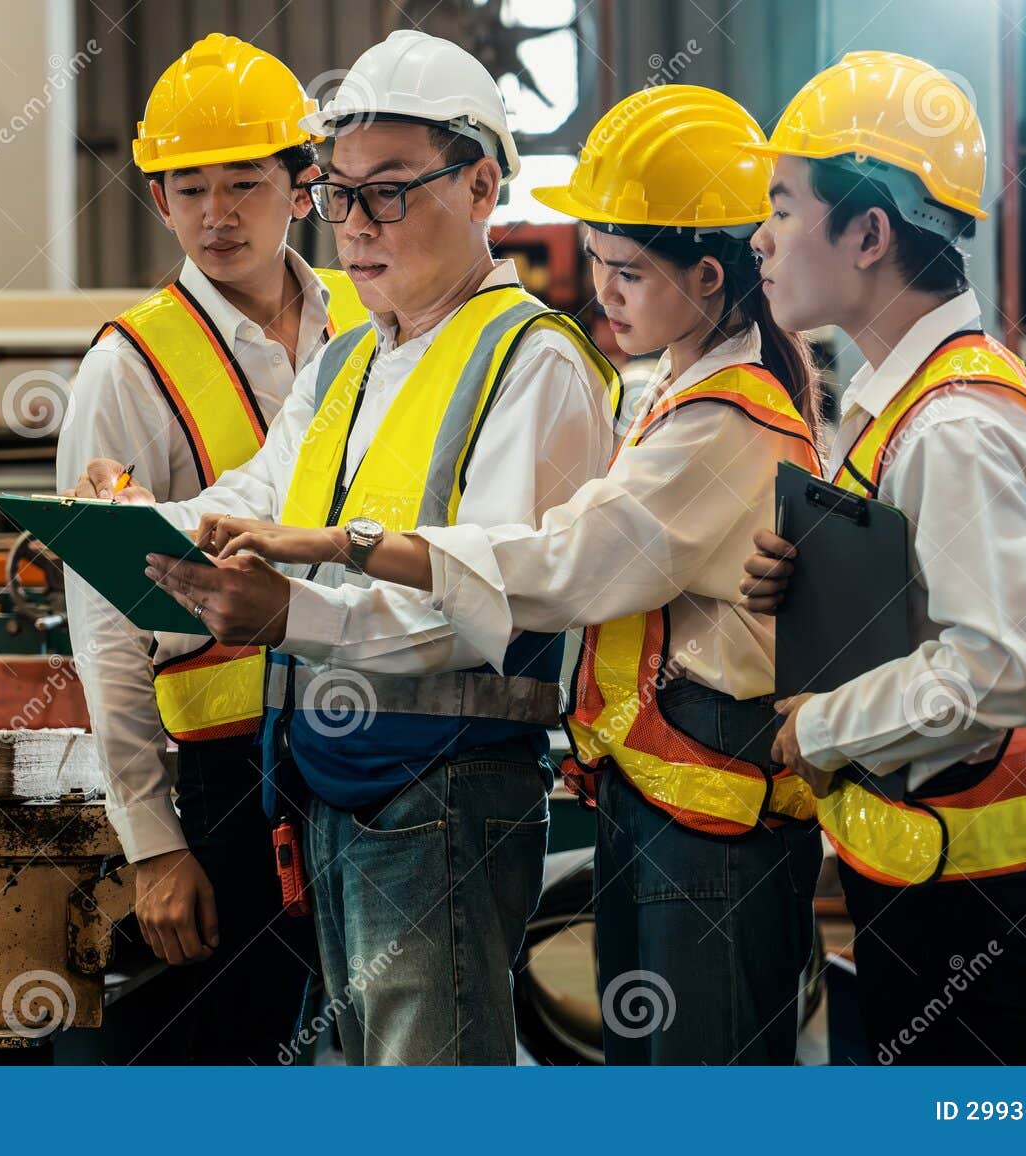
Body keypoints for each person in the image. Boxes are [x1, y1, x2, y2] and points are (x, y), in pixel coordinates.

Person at [178, 85, 826, 1065]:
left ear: (706, 274)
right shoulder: (674, 398)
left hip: (704, 813)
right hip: (657, 798)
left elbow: (558, 564)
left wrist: (344, 550)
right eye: (598, 264)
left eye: (626, 271)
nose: (602, 290)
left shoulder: (711, 418)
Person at [73, 30, 617, 1065]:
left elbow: (502, 596)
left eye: (391, 194)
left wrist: (292, 617)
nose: (356, 227)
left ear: (481, 186)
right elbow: (255, 496)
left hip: (444, 795)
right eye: (343, 195)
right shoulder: (351, 362)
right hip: (326, 791)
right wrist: (139, 520)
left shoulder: (532, 363)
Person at [738, 51, 1026, 1064]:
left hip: (975, 882)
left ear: (867, 233)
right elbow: (918, 599)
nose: (759, 239)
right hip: (930, 857)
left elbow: (995, 668)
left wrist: (819, 725)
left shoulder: (950, 424)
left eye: (781, 206)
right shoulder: (906, 396)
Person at [56, 33, 362, 1063]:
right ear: (159, 203)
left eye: (246, 182)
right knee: (231, 1060)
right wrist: (153, 842)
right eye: (190, 189)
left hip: (379, 756)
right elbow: (102, 623)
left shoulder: (371, 323)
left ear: (301, 186)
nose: (218, 213)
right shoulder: (127, 367)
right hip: (229, 786)